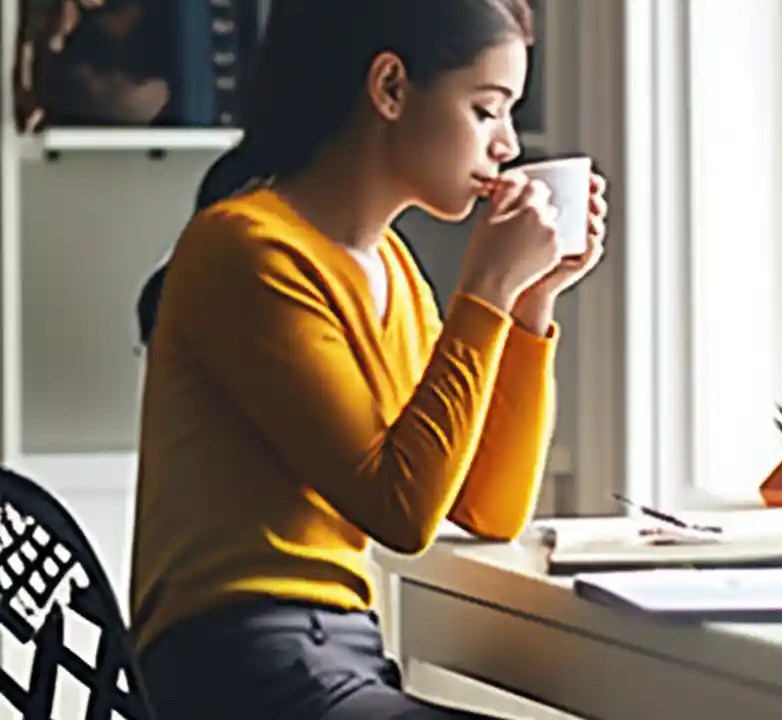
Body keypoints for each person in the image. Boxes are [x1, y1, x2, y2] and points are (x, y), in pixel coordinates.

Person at [127, 1, 608, 718]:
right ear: (388, 89)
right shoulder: (247, 251)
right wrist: (485, 290)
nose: (507, 145)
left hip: (337, 653)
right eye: (486, 110)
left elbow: (489, 507)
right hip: (239, 661)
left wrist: (530, 304)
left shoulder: (394, 272)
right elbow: (400, 511)